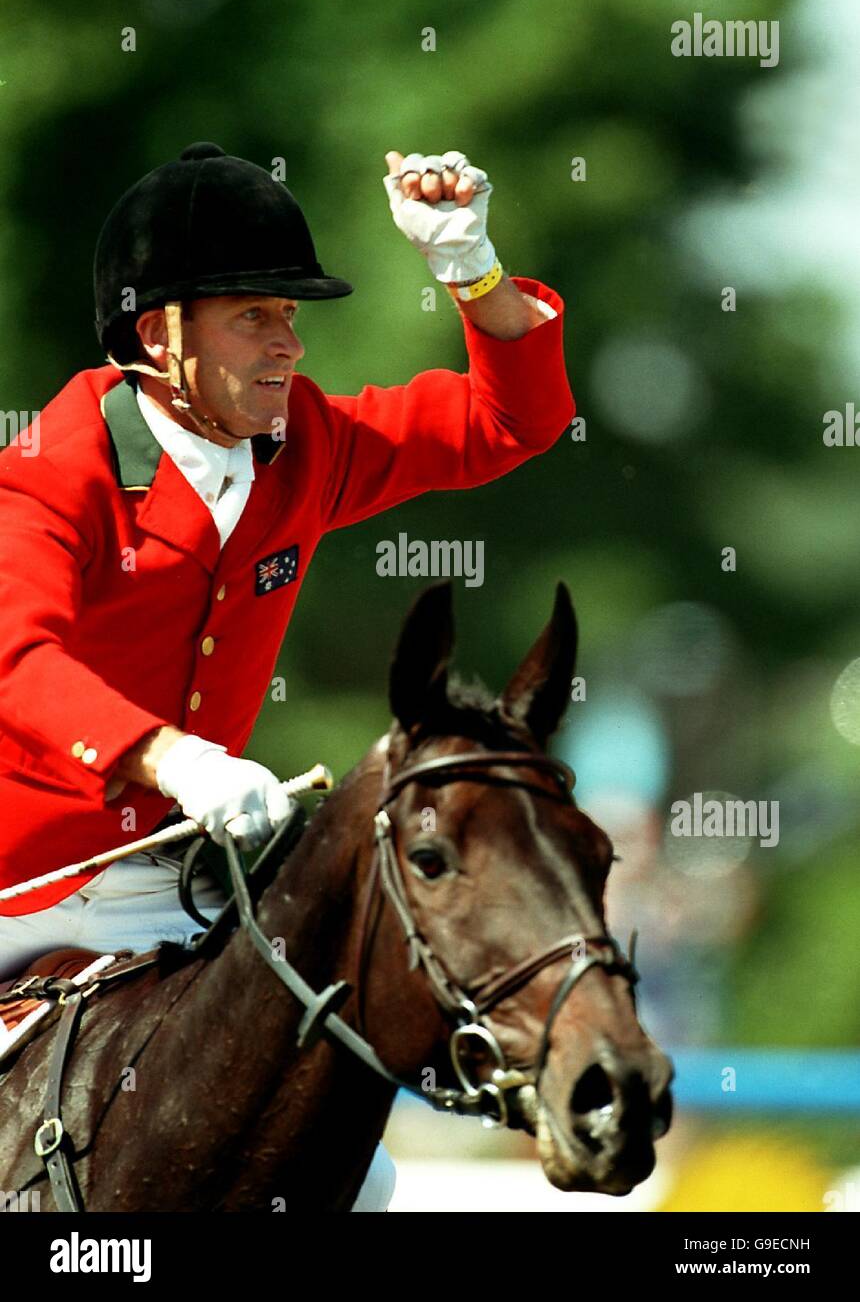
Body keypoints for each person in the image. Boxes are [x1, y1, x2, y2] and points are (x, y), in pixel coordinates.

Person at [0, 142, 573, 1208]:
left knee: (357, 1186)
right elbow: (15, 663)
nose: (289, 346)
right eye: (253, 317)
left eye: (289, 316)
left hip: (177, 903)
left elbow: (512, 422)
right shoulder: (52, 470)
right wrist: (171, 759)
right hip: (21, 894)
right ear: (157, 334)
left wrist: (472, 270)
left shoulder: (305, 443)